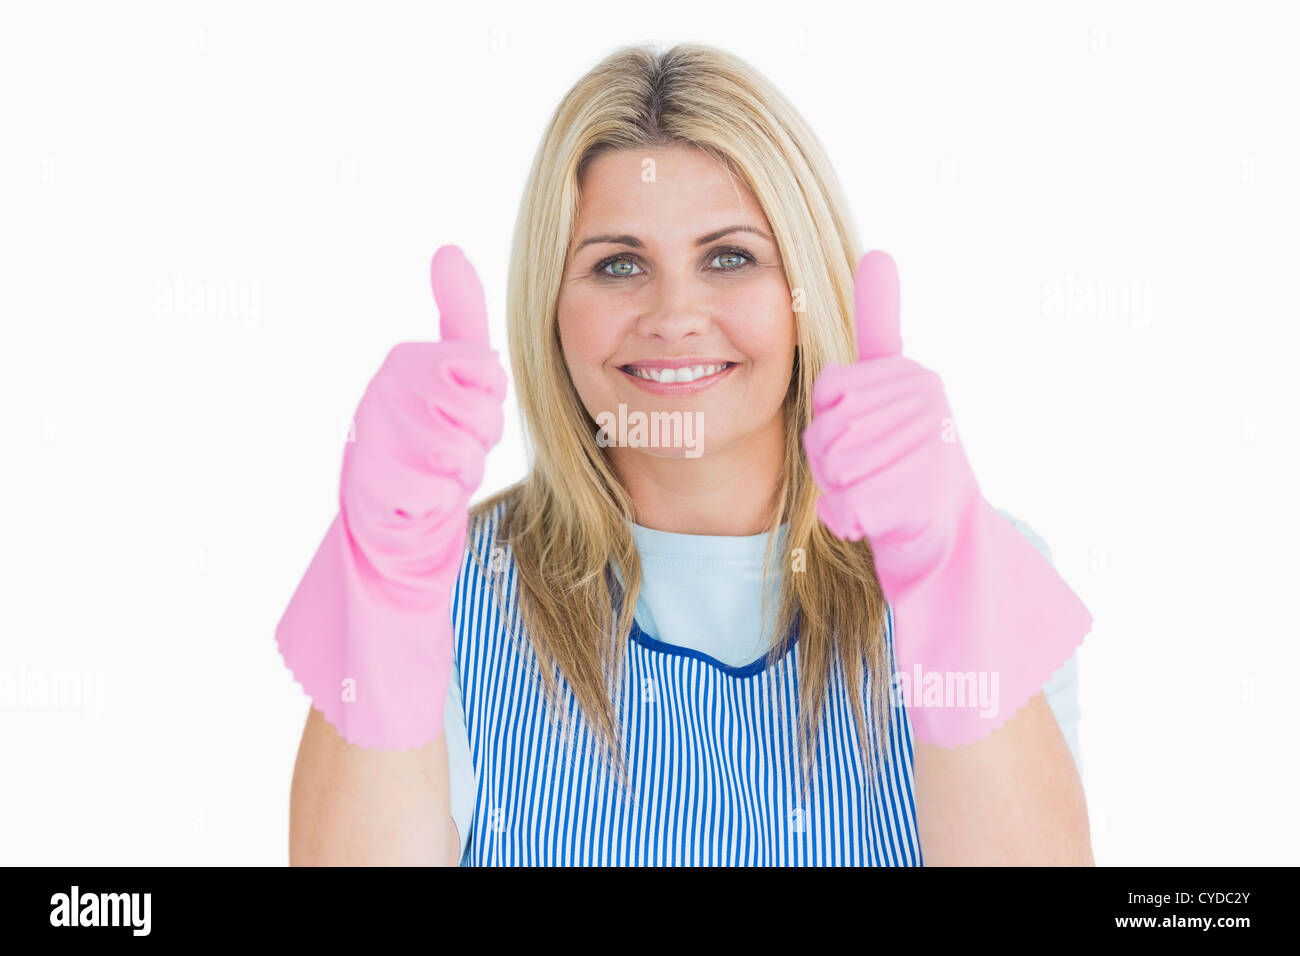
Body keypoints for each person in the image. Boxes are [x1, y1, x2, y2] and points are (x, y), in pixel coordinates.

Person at [281, 42, 1093, 866]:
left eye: (729, 258)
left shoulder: (979, 566)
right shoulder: (445, 594)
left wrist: (946, 575)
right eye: (618, 264)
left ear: (805, 290)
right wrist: (381, 584)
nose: (675, 314)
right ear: (550, 309)